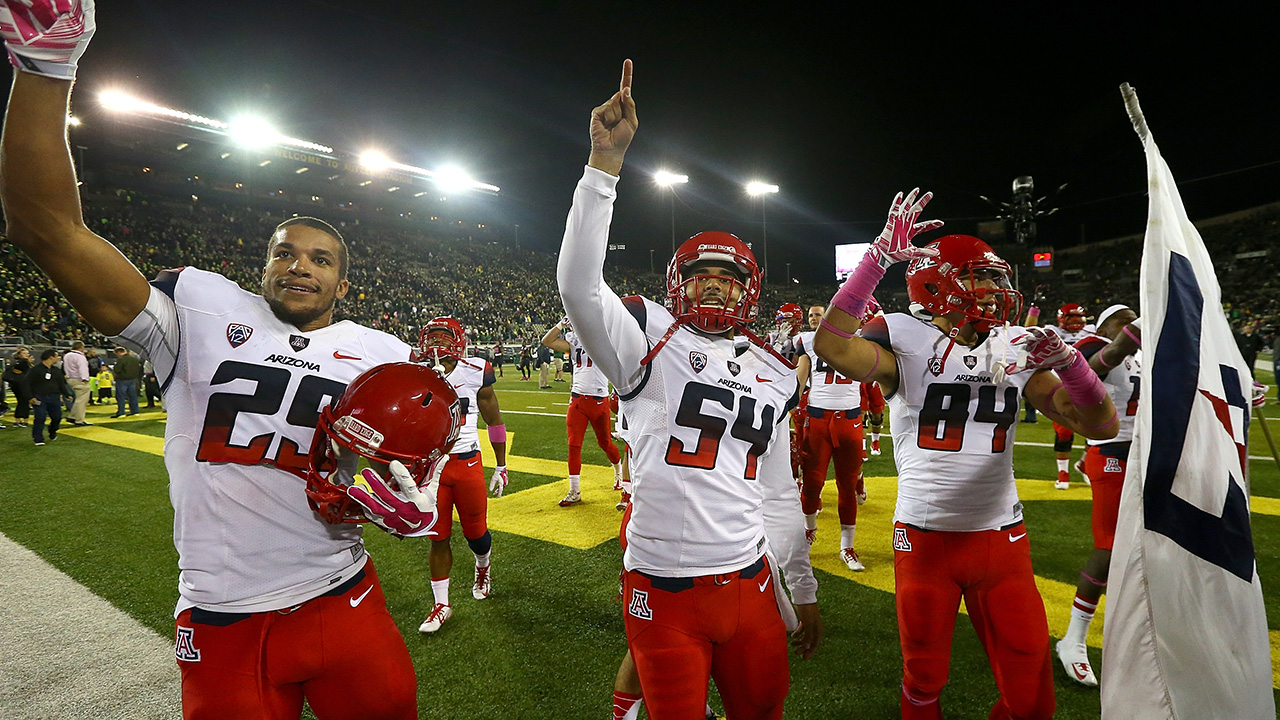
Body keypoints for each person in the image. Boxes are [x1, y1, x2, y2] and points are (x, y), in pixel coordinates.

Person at [0, 9, 438, 715]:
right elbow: (46, 230)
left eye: (320, 259)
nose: (300, 266)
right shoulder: (197, 315)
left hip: (343, 596)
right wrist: (46, 68)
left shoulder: (382, 355)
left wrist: (415, 500)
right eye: (284, 252)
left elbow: (417, 461)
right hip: (223, 615)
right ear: (261, 267)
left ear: (343, 285)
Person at [558, 60, 820, 720]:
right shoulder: (647, 334)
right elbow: (579, 287)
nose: (714, 286)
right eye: (702, 274)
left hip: (751, 580)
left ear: (749, 292)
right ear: (679, 281)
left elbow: (778, 492)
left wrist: (803, 586)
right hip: (663, 584)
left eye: (729, 278)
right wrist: (603, 166)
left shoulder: (772, 369)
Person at [811, 194, 1119, 719]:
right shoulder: (903, 338)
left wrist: (1072, 364)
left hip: (1001, 538)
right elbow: (832, 346)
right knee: (924, 677)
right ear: (938, 284)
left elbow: (1101, 424)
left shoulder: (1016, 345)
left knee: (1032, 695)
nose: (998, 290)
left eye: (998, 279)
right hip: (925, 539)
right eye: (984, 278)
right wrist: (876, 259)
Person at [1055, 303, 1142, 688]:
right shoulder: (1093, 344)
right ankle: (1073, 639)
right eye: (1124, 319)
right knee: (1108, 547)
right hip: (1111, 454)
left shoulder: (1143, 356)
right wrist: (1137, 328)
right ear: (1105, 325)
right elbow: (1099, 363)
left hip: (1145, 454)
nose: (1131, 324)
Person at [411, 316, 508, 633]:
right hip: (431, 468)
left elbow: (494, 420)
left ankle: (483, 566)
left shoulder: (476, 370)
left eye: (443, 337)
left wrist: (501, 465)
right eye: (432, 337)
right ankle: (441, 604)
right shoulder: (415, 372)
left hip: (466, 462)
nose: (437, 344)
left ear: (458, 342)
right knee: (437, 537)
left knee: (476, 534)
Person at [795, 304, 867, 570]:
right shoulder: (806, 340)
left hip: (850, 419)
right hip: (818, 418)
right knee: (812, 482)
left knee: (848, 485)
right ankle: (808, 532)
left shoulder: (863, 338)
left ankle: (847, 547)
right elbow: (799, 379)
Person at [542, 316, 624, 506]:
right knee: (573, 445)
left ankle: (619, 472)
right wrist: (561, 324)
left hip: (599, 400)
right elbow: (547, 341)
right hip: (578, 400)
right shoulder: (574, 341)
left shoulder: (605, 339)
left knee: (605, 443)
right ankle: (574, 490)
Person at [1027, 302, 1095, 488]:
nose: (1076, 321)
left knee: (1096, 430)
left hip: (1088, 384)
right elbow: (1027, 334)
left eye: (1078, 317)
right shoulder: (1052, 331)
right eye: (1071, 317)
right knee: (1064, 432)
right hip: (1061, 385)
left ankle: (1083, 463)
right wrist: (1034, 309)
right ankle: (1063, 473)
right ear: (1061, 318)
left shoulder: (1092, 331)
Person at [22, 348, 73, 446]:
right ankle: (38, 438)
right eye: (56, 356)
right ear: (50, 357)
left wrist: (67, 394)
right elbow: (26, 384)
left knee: (57, 417)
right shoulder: (35, 370)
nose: (59, 358)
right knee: (40, 417)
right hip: (39, 397)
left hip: (54, 397)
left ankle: (52, 430)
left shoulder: (56, 370)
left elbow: (61, 384)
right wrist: (30, 397)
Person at [3, 346, 34, 427]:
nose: (27, 354)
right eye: (24, 353)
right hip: (22, 385)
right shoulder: (23, 362)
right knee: (24, 402)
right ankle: (23, 421)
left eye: (27, 353)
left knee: (21, 402)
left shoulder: (16, 362)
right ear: (19, 354)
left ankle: (18, 420)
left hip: (16, 385)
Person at [63, 339, 91, 425]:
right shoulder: (80, 356)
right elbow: (83, 368)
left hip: (69, 378)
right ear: (81, 347)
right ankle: (79, 420)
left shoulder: (67, 355)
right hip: (79, 379)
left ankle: (72, 416)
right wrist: (85, 379)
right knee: (82, 400)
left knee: (78, 399)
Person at [110, 345, 141, 417]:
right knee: (133, 396)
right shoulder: (134, 359)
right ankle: (135, 411)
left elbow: (117, 370)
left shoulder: (121, 360)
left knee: (121, 397)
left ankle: (121, 412)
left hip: (122, 380)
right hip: (132, 379)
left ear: (118, 352)